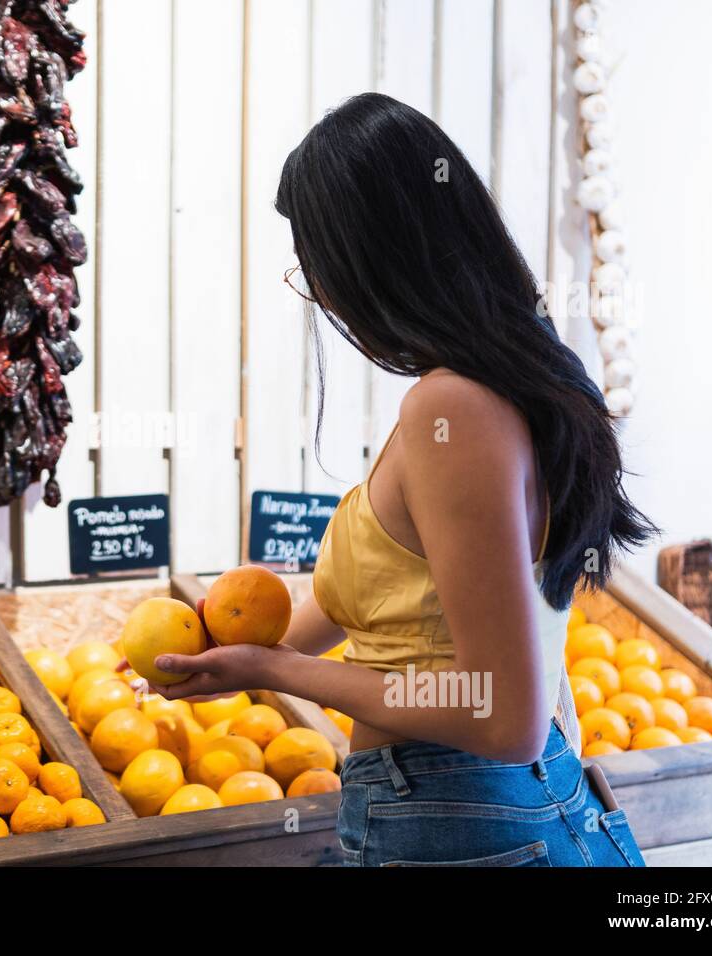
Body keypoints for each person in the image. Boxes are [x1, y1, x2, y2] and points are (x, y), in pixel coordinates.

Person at [149, 93, 656, 867]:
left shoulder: (451, 408)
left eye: (316, 267)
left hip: (455, 818)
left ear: (373, 258)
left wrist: (277, 670)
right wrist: (226, 648)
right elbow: (400, 607)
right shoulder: (508, 383)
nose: (322, 295)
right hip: (480, 810)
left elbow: (500, 709)